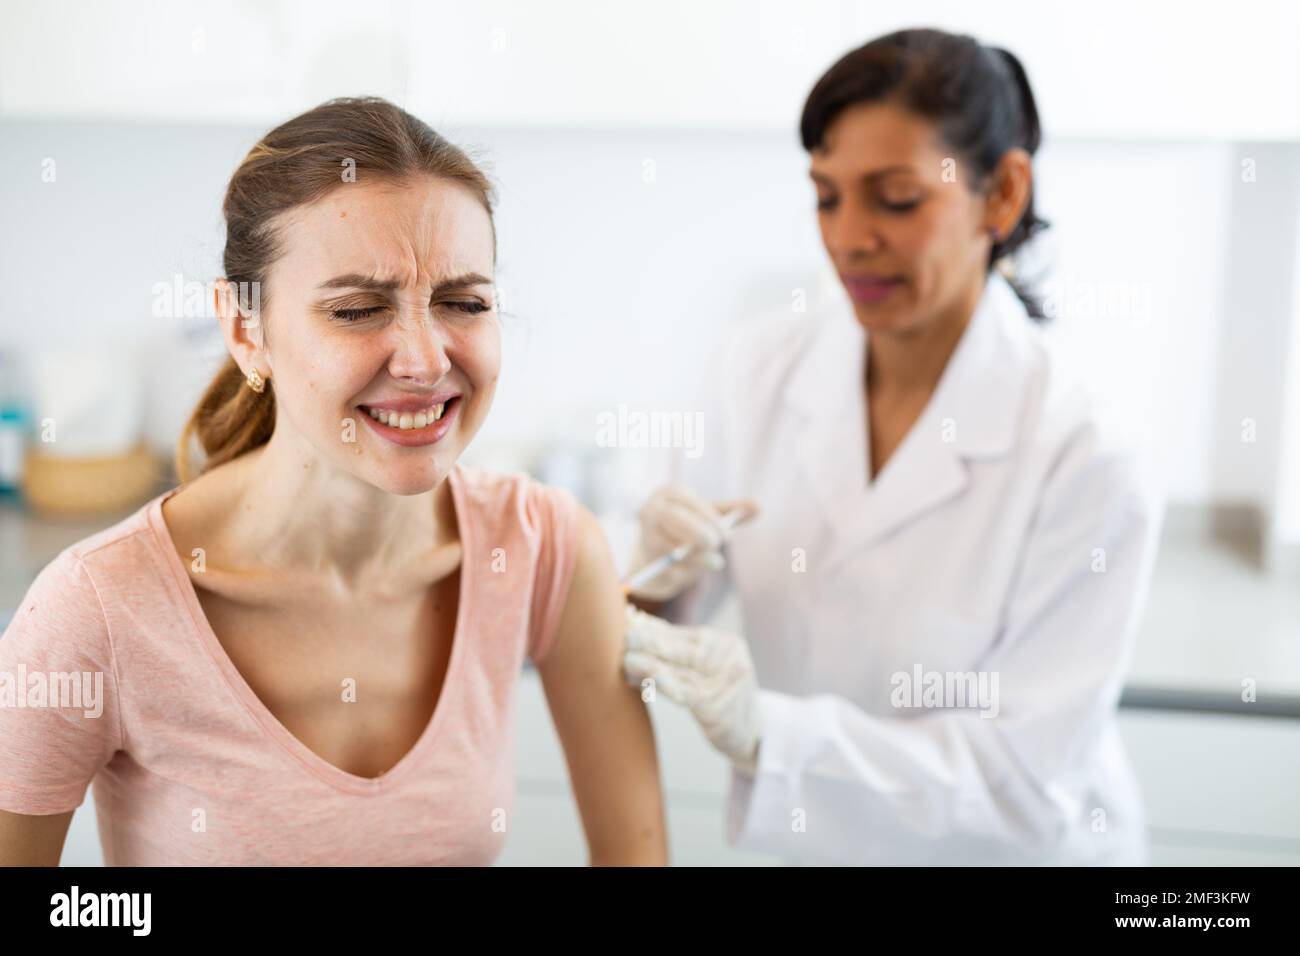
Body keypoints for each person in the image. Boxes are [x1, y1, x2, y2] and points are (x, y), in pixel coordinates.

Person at [0, 97, 666, 866]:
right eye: (356, 309)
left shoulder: (546, 547)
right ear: (247, 329)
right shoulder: (95, 610)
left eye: (464, 302)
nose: (424, 360)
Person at [622, 28, 1163, 865]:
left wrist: (774, 732)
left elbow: (1019, 781)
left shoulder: (1086, 450)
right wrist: (650, 574)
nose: (849, 238)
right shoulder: (758, 369)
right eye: (827, 197)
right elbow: (641, 633)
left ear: (1003, 193)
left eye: (897, 198)